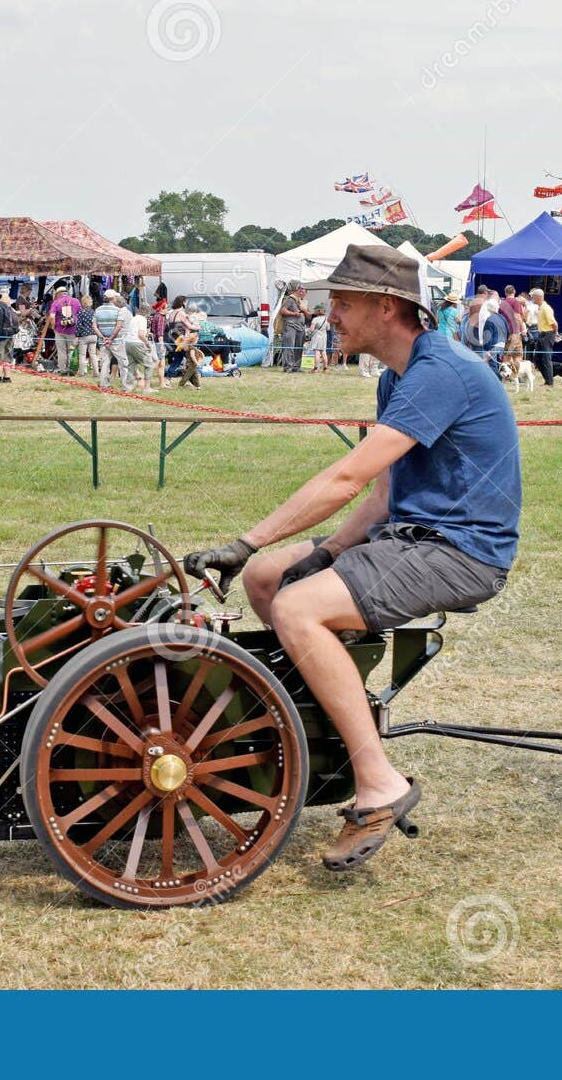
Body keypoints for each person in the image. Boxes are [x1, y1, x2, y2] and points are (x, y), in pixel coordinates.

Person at [184, 244, 520, 871]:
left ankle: (377, 782)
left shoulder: (441, 372)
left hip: (462, 550)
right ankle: (312, 732)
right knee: (267, 580)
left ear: (386, 307)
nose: (329, 313)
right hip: (411, 536)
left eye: (341, 302)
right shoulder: (398, 375)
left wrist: (246, 539)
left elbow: (345, 479)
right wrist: (328, 550)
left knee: (297, 607)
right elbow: (384, 491)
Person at [93, 289, 132, 390]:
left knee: (105, 363)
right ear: (112, 299)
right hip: (117, 341)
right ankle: (125, 386)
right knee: (123, 363)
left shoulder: (98, 310)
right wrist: (110, 338)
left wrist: (103, 337)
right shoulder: (118, 310)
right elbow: (119, 326)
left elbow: (94, 326)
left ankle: (104, 385)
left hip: (103, 341)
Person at [48, 283, 79, 373]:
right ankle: (72, 369)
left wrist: (53, 327)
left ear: (58, 294)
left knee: (61, 350)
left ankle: (62, 369)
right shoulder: (75, 301)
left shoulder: (56, 302)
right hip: (73, 330)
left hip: (60, 330)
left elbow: (52, 316)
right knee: (72, 350)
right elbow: (80, 314)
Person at [529, 287, 558, 386]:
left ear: (538, 297)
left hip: (547, 334)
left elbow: (554, 324)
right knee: (537, 358)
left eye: (533, 297)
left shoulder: (546, 309)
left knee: (546, 358)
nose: (532, 298)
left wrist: (555, 334)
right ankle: (547, 380)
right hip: (542, 334)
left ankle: (550, 383)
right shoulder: (540, 308)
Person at [278, 286, 307, 372]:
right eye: (300, 290)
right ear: (296, 290)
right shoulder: (290, 299)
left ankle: (296, 367)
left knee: (298, 348)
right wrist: (294, 314)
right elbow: (282, 311)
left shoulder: (301, 301)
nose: (301, 292)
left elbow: (308, 314)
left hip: (300, 327)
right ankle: (288, 367)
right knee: (289, 347)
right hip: (291, 326)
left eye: (303, 291)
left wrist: (305, 311)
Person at [306, 308, 329, 372]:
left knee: (317, 352)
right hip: (324, 336)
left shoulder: (315, 319)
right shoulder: (326, 319)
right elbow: (328, 328)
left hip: (317, 336)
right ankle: (325, 368)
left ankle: (316, 368)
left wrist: (308, 330)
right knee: (324, 352)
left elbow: (311, 329)